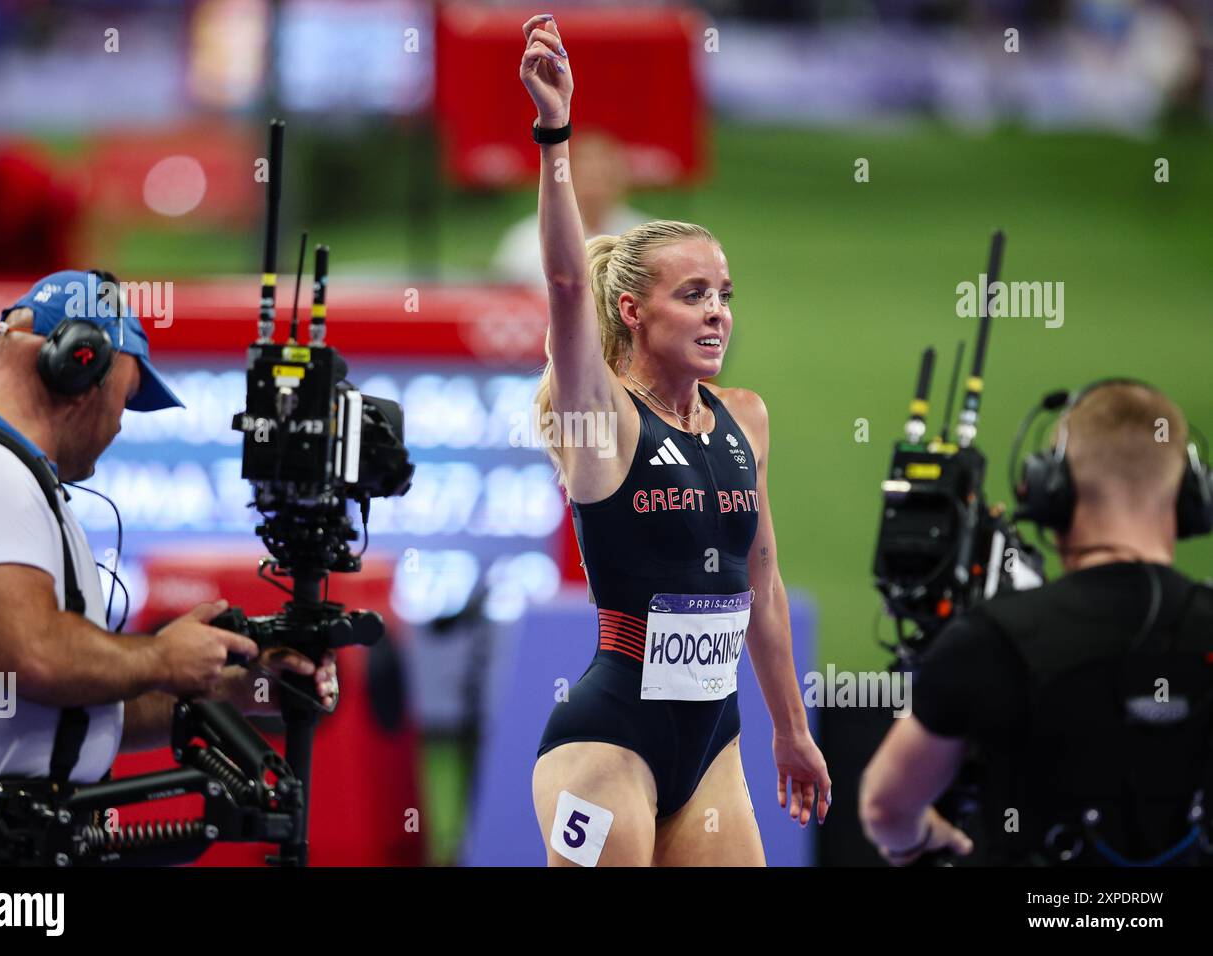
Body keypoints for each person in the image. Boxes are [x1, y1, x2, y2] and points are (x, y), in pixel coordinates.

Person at [519, 14, 830, 867]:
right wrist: (556, 133)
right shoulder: (603, 421)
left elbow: (761, 579)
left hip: (716, 741)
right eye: (693, 294)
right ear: (633, 311)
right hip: (607, 743)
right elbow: (561, 282)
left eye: (724, 293)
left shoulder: (746, 418)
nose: (718, 311)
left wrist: (792, 732)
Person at [0, 271, 339, 789]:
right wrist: (162, 656)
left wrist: (229, 685)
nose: (118, 424)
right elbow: (35, 654)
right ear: (77, 367)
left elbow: (79, 706)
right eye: (125, 395)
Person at [859, 379, 1213, 866]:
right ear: (1191, 498)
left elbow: (886, 806)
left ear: (1053, 490)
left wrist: (918, 839)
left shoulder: (991, 639)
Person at [490, 129, 649, 285]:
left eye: (603, 174)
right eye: (586, 175)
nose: (594, 185)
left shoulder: (647, 239)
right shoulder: (527, 240)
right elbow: (505, 299)